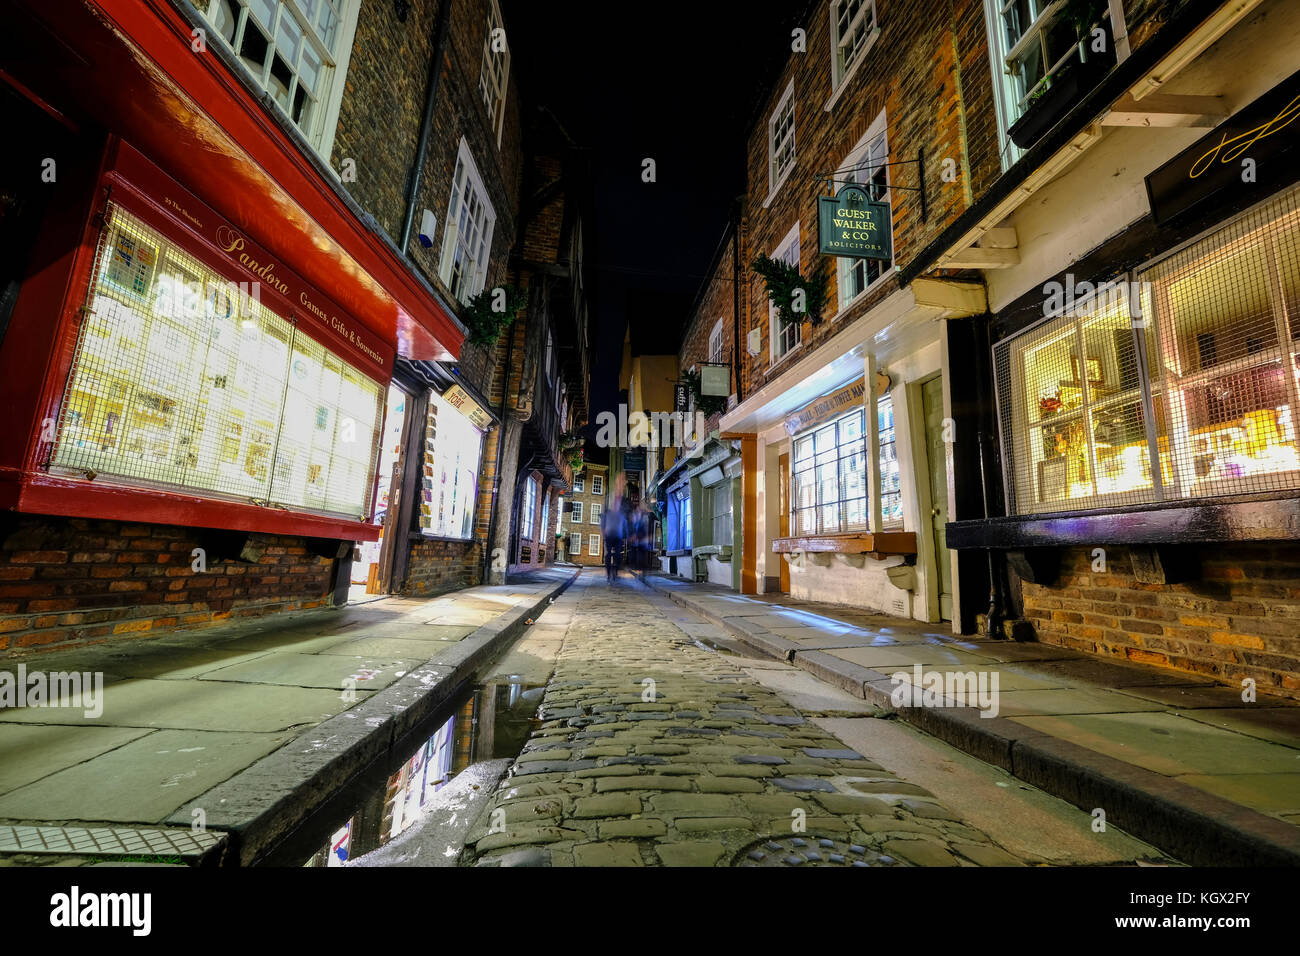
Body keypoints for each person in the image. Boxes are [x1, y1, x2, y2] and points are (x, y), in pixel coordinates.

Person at [602, 474, 629, 583]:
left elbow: (625, 524)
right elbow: (603, 521)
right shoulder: (608, 513)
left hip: (618, 536)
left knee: (618, 555)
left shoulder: (621, 514)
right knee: (608, 554)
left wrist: (627, 535)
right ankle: (609, 573)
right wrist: (603, 530)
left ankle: (615, 571)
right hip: (609, 535)